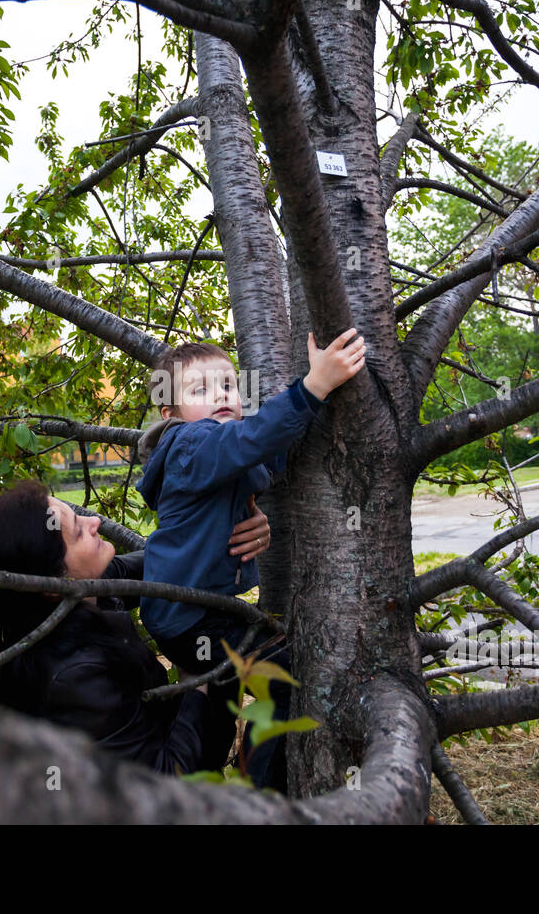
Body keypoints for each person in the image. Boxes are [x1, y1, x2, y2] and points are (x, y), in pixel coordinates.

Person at [134, 329, 366, 789]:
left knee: (217, 702)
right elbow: (253, 440)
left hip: (193, 612)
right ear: (171, 414)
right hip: (190, 615)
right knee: (279, 673)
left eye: (227, 386)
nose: (220, 396)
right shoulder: (188, 444)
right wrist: (314, 386)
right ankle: (261, 789)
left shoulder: (221, 448)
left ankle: (204, 782)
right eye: (199, 390)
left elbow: (268, 453)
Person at [0, 479, 272, 776]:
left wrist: (234, 530)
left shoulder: (87, 589)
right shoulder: (76, 677)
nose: (93, 523)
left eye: (80, 517)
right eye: (78, 532)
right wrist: (198, 678)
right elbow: (165, 780)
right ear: (52, 582)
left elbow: (168, 564)